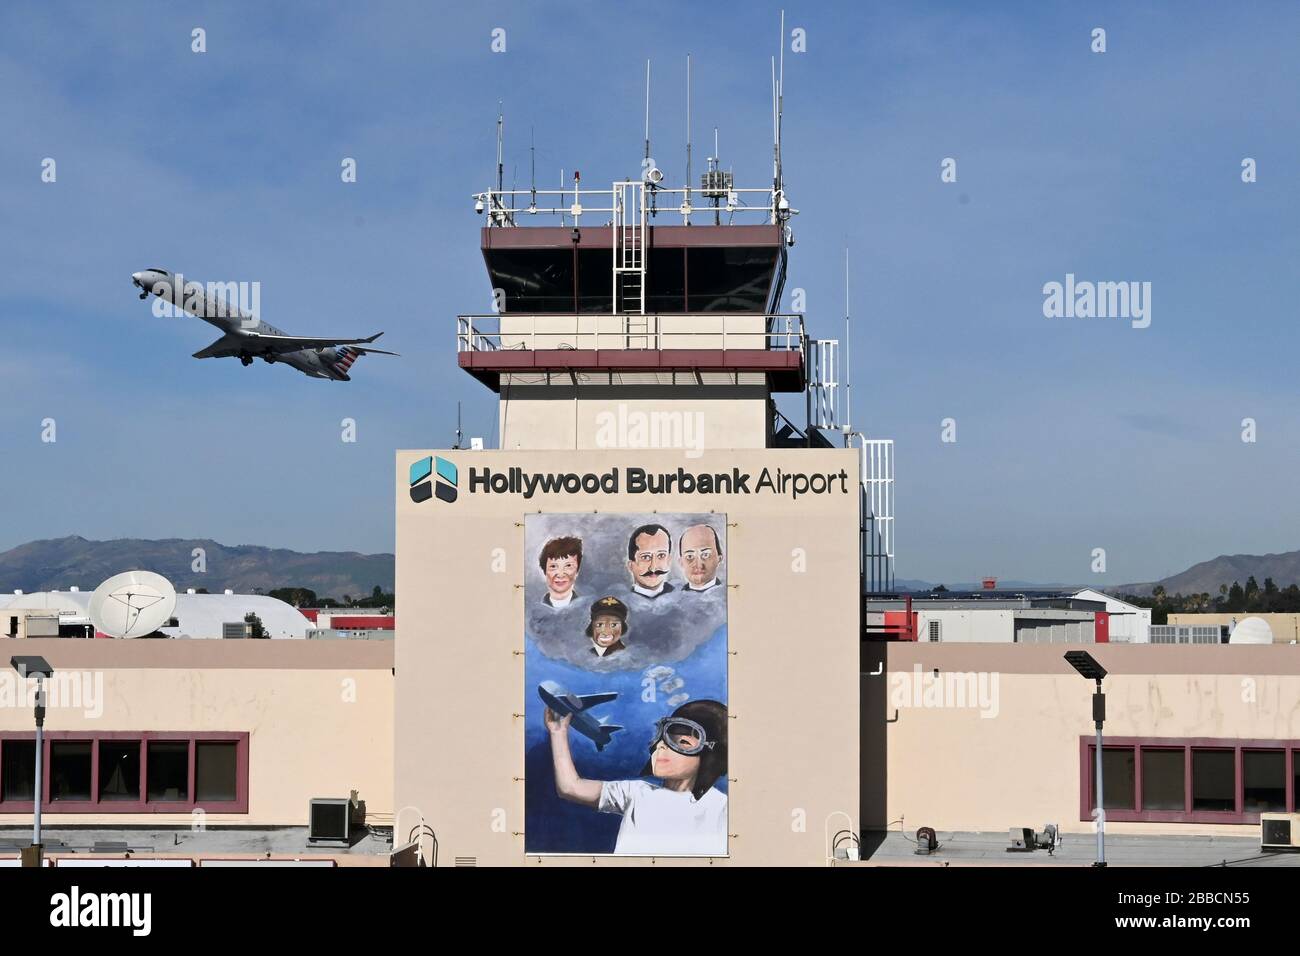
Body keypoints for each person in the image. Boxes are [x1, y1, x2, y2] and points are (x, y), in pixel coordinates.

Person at [544, 699, 728, 856]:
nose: (662, 746)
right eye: (662, 737)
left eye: (683, 742)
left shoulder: (724, 808)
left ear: (711, 755)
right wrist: (558, 733)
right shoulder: (636, 793)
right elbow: (570, 788)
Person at [626, 523, 675, 600]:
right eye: (646, 557)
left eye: (661, 556)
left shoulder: (681, 597)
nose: (653, 567)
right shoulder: (623, 600)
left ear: (669, 561)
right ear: (631, 566)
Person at [538, 536, 583, 608]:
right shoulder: (532, 612)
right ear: (545, 571)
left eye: (568, 565)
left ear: (577, 570)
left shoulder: (587, 610)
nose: (560, 574)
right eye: (553, 566)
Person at [679, 523, 724, 593]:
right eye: (690, 556)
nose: (698, 565)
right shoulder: (673, 597)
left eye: (705, 555)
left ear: (719, 558)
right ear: (681, 562)